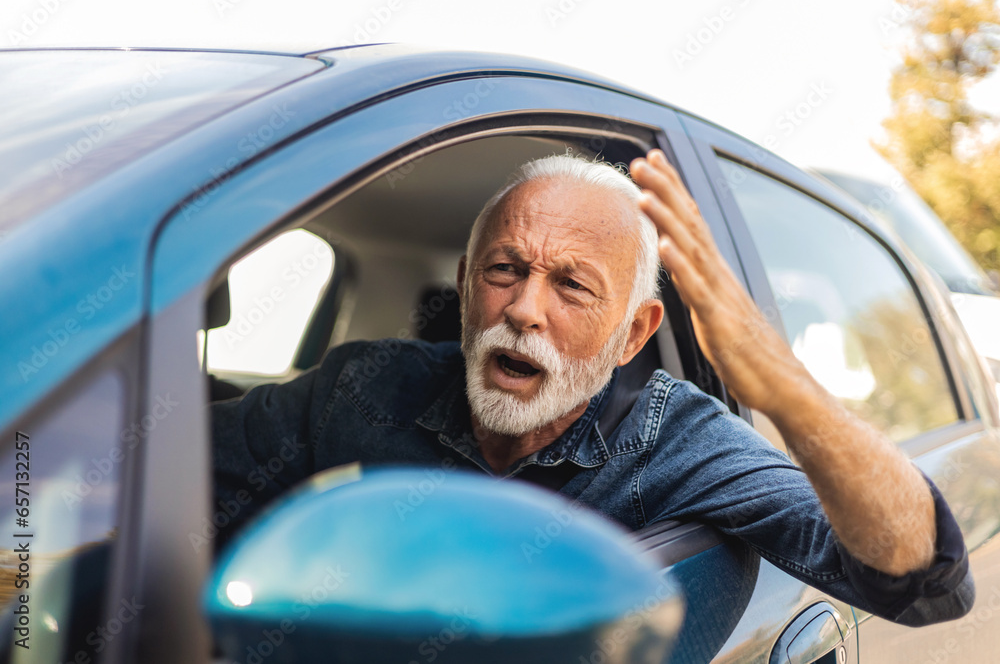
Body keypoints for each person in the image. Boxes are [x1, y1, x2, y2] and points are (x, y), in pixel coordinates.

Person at [211, 149, 973, 625]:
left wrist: (781, 385)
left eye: (572, 286)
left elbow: (919, 583)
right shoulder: (363, 385)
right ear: (467, 286)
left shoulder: (681, 443)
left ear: (634, 334)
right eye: (504, 269)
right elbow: (167, 477)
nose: (524, 309)